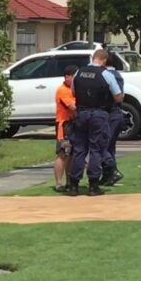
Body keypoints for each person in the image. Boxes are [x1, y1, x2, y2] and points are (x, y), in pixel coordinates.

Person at [68, 49, 123, 197]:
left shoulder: (78, 73)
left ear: (93, 58)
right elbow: (118, 98)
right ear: (104, 60)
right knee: (96, 149)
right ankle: (93, 185)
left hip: (81, 113)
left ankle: (73, 185)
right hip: (99, 114)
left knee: (79, 149)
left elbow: (73, 93)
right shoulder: (106, 74)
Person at [53, 65, 78, 193]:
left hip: (74, 124)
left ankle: (69, 181)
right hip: (64, 125)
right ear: (67, 76)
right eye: (73, 77)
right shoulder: (62, 90)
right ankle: (58, 183)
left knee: (72, 155)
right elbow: (73, 107)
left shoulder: (75, 90)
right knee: (62, 153)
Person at [102, 52, 125, 186]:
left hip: (111, 114)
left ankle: (112, 170)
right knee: (110, 146)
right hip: (116, 114)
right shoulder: (117, 75)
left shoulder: (109, 76)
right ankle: (107, 176)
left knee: (103, 145)